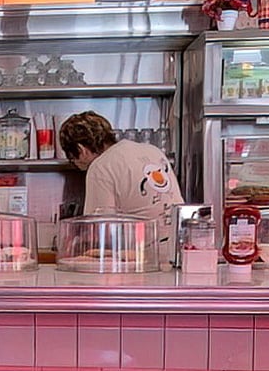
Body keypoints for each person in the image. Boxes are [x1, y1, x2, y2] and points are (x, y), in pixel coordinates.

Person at [59, 111, 183, 261]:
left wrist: (73, 243)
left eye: (73, 159)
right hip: (180, 249)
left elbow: (99, 232)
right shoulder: (153, 150)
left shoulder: (100, 166)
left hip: (145, 256)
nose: (76, 165)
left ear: (81, 149)